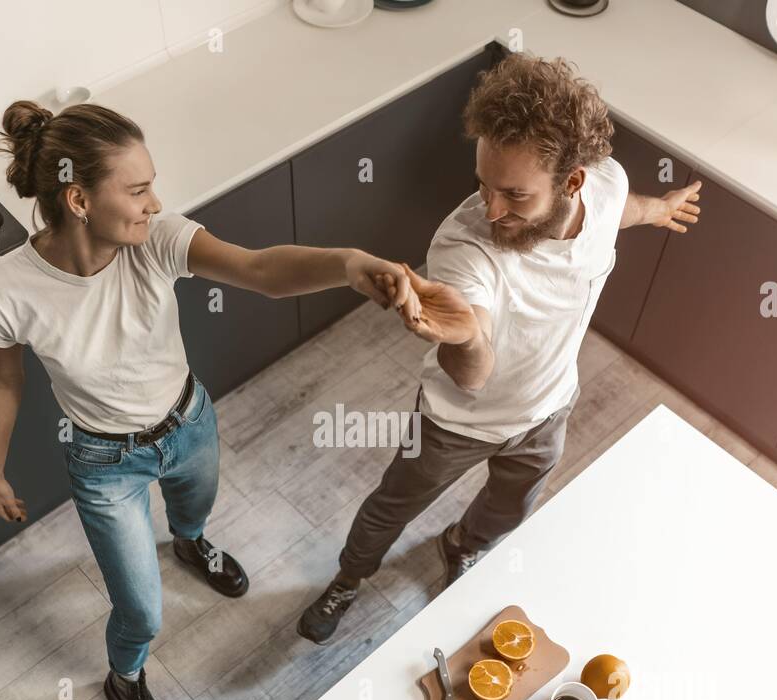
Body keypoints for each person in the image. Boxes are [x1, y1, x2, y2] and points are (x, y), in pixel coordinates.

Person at [0, 101, 417, 700]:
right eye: (138, 189)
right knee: (142, 612)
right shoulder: (6, 289)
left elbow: (259, 270)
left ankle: (188, 544)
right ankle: (123, 681)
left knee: (194, 510)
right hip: (104, 465)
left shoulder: (155, 240)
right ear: (79, 199)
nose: (155, 202)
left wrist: (348, 264)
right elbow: (3, 378)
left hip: (188, 424)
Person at [298, 53, 703, 645]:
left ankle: (460, 545)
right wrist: (463, 336)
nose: (491, 209)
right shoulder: (466, 246)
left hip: (547, 411)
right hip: (455, 423)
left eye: (513, 194)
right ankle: (348, 579)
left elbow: (621, 209)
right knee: (391, 506)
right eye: (483, 185)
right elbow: (472, 375)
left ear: (573, 182)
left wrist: (660, 209)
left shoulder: (608, 184)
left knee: (509, 510)